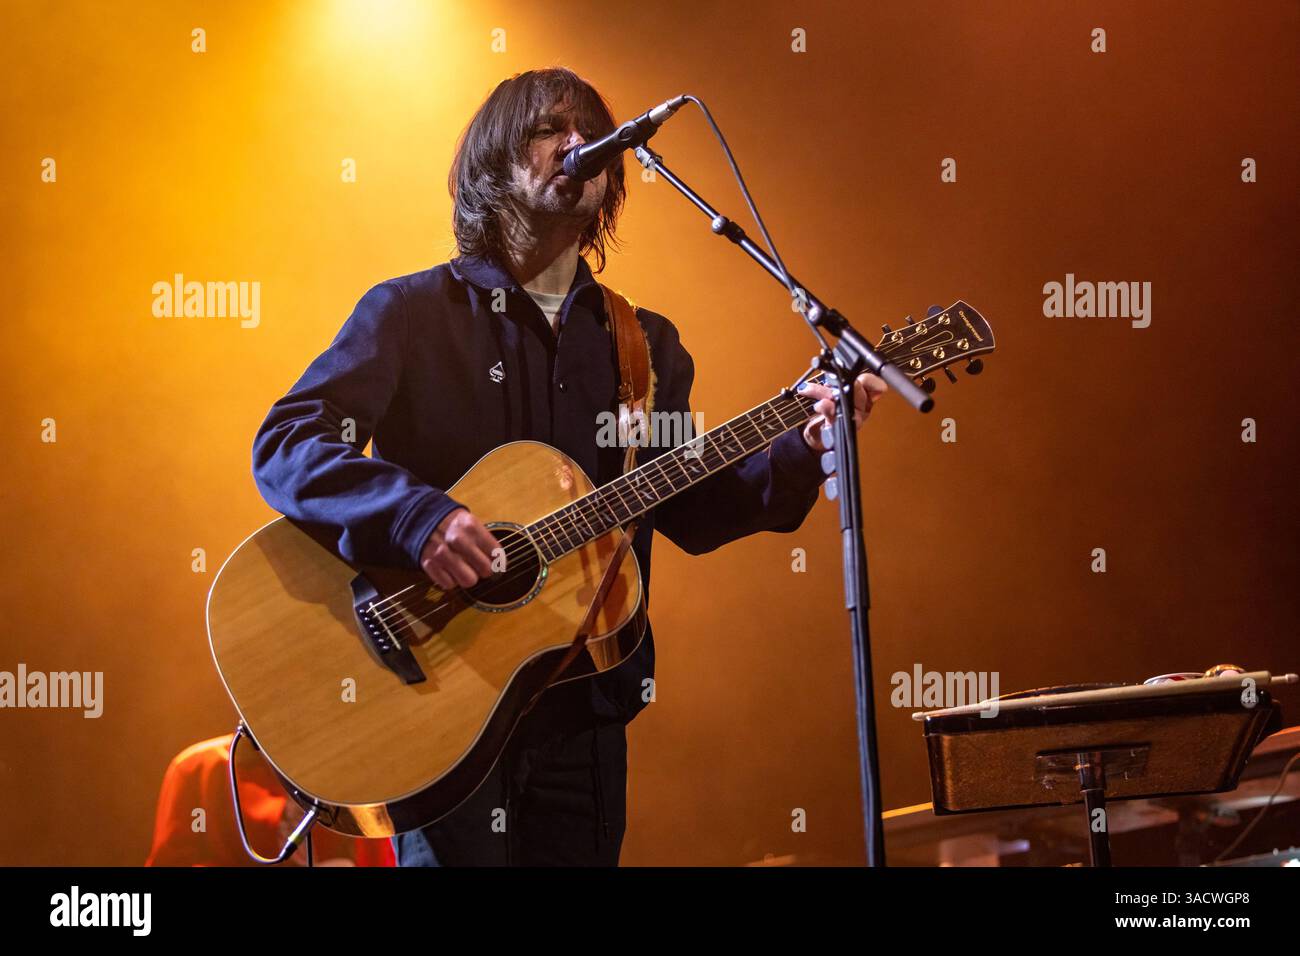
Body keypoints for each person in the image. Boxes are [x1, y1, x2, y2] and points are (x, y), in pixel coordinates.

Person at [251, 67, 885, 866]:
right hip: (437, 703)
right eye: (552, 128)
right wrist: (418, 520)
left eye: (592, 133)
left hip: (583, 714)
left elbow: (690, 505)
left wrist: (803, 447)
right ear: (494, 161)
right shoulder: (411, 313)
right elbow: (289, 442)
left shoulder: (642, 345)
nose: (579, 144)